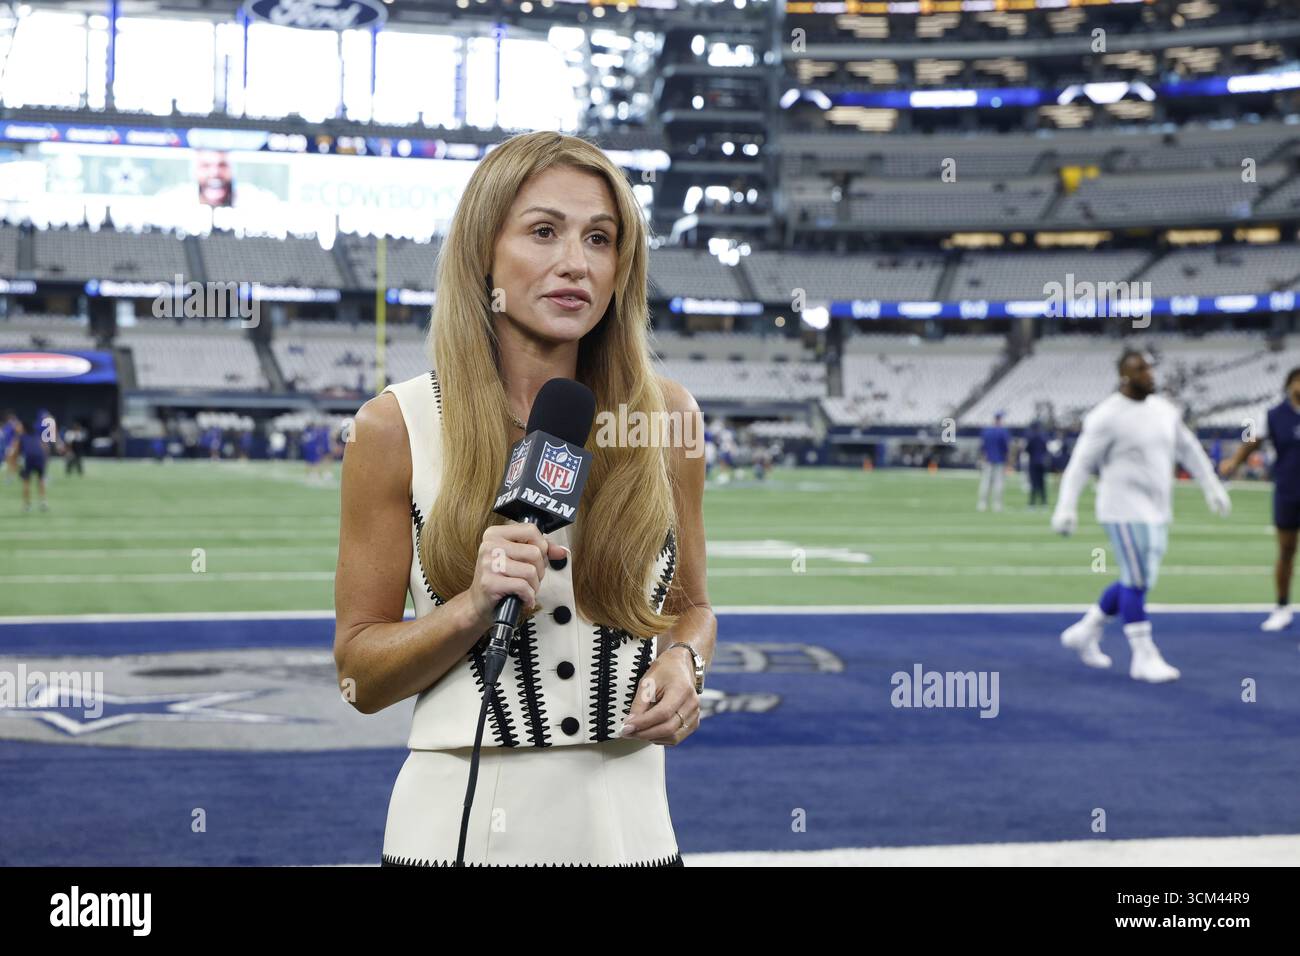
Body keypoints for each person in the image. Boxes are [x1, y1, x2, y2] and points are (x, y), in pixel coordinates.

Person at [333, 131, 715, 867]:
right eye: (544, 232)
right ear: (484, 251)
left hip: (634, 827)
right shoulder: (392, 427)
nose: (576, 262)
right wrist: (470, 607)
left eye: (600, 239)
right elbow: (359, 674)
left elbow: (694, 609)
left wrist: (684, 666)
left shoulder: (669, 418)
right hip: (456, 832)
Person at [1052, 350, 1231, 682]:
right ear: (1124, 376)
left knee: (1138, 581)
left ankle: (1087, 629)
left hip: (1158, 509)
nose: (1150, 374)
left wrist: (1212, 487)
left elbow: (1189, 449)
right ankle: (1143, 655)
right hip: (1120, 508)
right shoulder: (1105, 416)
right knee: (1135, 580)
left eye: (1150, 367)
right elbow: (1080, 464)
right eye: (1141, 369)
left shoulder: (1164, 410)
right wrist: (1066, 506)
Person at [1219, 367, 1300, 633]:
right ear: (1288, 385)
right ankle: (1281, 608)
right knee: (1286, 551)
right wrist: (1234, 461)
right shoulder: (1275, 415)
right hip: (1288, 490)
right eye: (1296, 380)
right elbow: (1254, 441)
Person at [977, 411, 1011, 512]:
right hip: (999, 460)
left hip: (988, 460)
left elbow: (982, 448)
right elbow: (1006, 448)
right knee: (998, 483)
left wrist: (981, 459)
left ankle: (982, 504)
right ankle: (997, 505)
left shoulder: (986, 431)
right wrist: (1008, 461)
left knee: (985, 482)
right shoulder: (1003, 432)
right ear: (1000, 420)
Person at [14, 419, 49, 512]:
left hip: (29, 458)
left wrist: (17, 465)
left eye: (19, 426)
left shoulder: (21, 437)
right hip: (40, 458)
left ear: (23, 428)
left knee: (26, 482)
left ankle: (27, 505)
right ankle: (43, 503)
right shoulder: (37, 436)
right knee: (41, 480)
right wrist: (45, 460)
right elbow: (45, 447)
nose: (17, 428)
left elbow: (16, 451)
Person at [1023, 419, 1050, 509]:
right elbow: (1046, 450)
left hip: (1033, 463)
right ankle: (1044, 503)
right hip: (1042, 463)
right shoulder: (1044, 436)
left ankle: (1032, 503)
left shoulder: (1031, 437)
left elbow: (1027, 450)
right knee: (1042, 483)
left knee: (1034, 483)